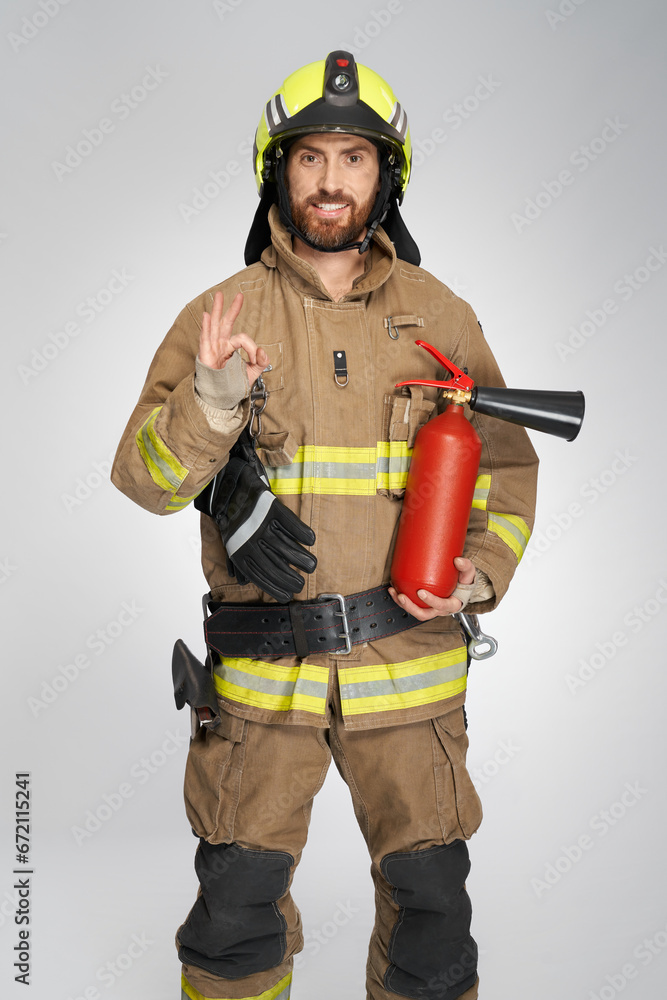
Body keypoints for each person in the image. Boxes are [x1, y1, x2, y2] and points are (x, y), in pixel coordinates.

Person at [112, 50, 538, 1000]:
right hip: (264, 685)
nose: (331, 180)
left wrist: (475, 572)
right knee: (233, 919)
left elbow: (506, 467)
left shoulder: (441, 318)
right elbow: (142, 478)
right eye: (309, 157)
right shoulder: (221, 315)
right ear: (278, 171)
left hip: (410, 675)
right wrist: (211, 405)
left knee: (433, 922)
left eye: (354, 157)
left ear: (387, 177)